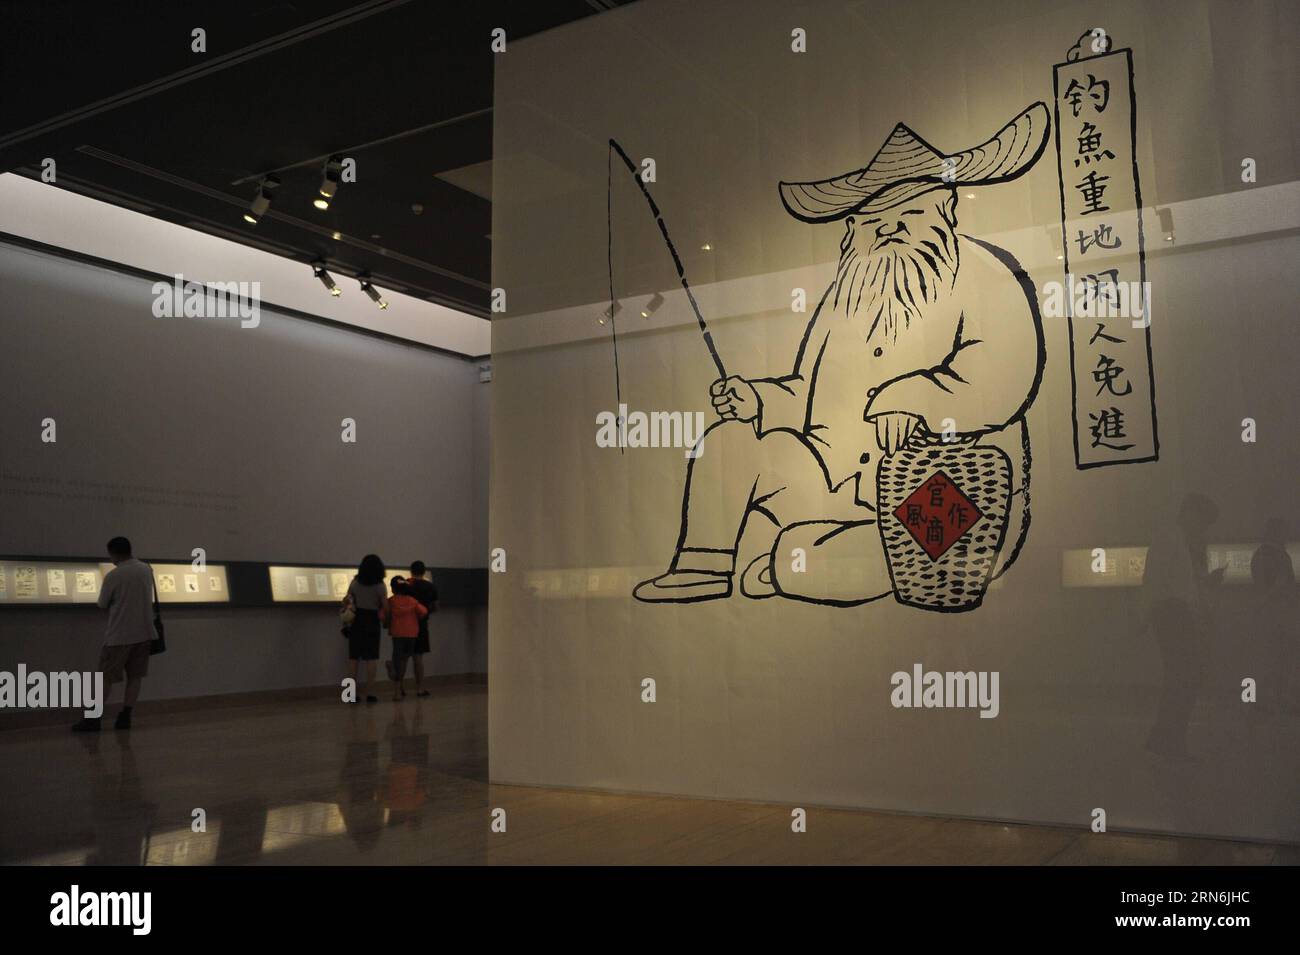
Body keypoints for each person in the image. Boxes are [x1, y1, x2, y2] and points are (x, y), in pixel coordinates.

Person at [73, 536, 155, 732]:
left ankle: (93, 719)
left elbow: (102, 603)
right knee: (135, 677)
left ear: (114, 553)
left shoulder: (114, 576)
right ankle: (125, 717)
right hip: (144, 633)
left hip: (119, 635)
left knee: (105, 678)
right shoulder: (146, 569)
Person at [343, 554, 388, 704]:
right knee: (371, 658)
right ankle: (370, 694)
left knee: (353, 659)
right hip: (372, 620)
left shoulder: (355, 583)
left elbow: (347, 600)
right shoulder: (380, 586)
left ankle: (349, 695)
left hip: (356, 620)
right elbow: (385, 607)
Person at [383, 576, 428, 701]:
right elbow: (423, 611)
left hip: (397, 634)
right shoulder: (412, 601)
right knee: (404, 661)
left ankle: (397, 689)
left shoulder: (391, 601)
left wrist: (388, 621)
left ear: (392, 589)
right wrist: (415, 619)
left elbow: (382, 614)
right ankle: (397, 684)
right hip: (412, 634)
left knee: (398, 660)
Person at [404, 561, 439, 697]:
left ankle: (399, 688)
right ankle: (419, 688)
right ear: (424, 572)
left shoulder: (406, 585)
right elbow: (435, 606)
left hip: (405, 624)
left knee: (402, 657)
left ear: (411, 571)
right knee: (418, 658)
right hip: (422, 624)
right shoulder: (430, 586)